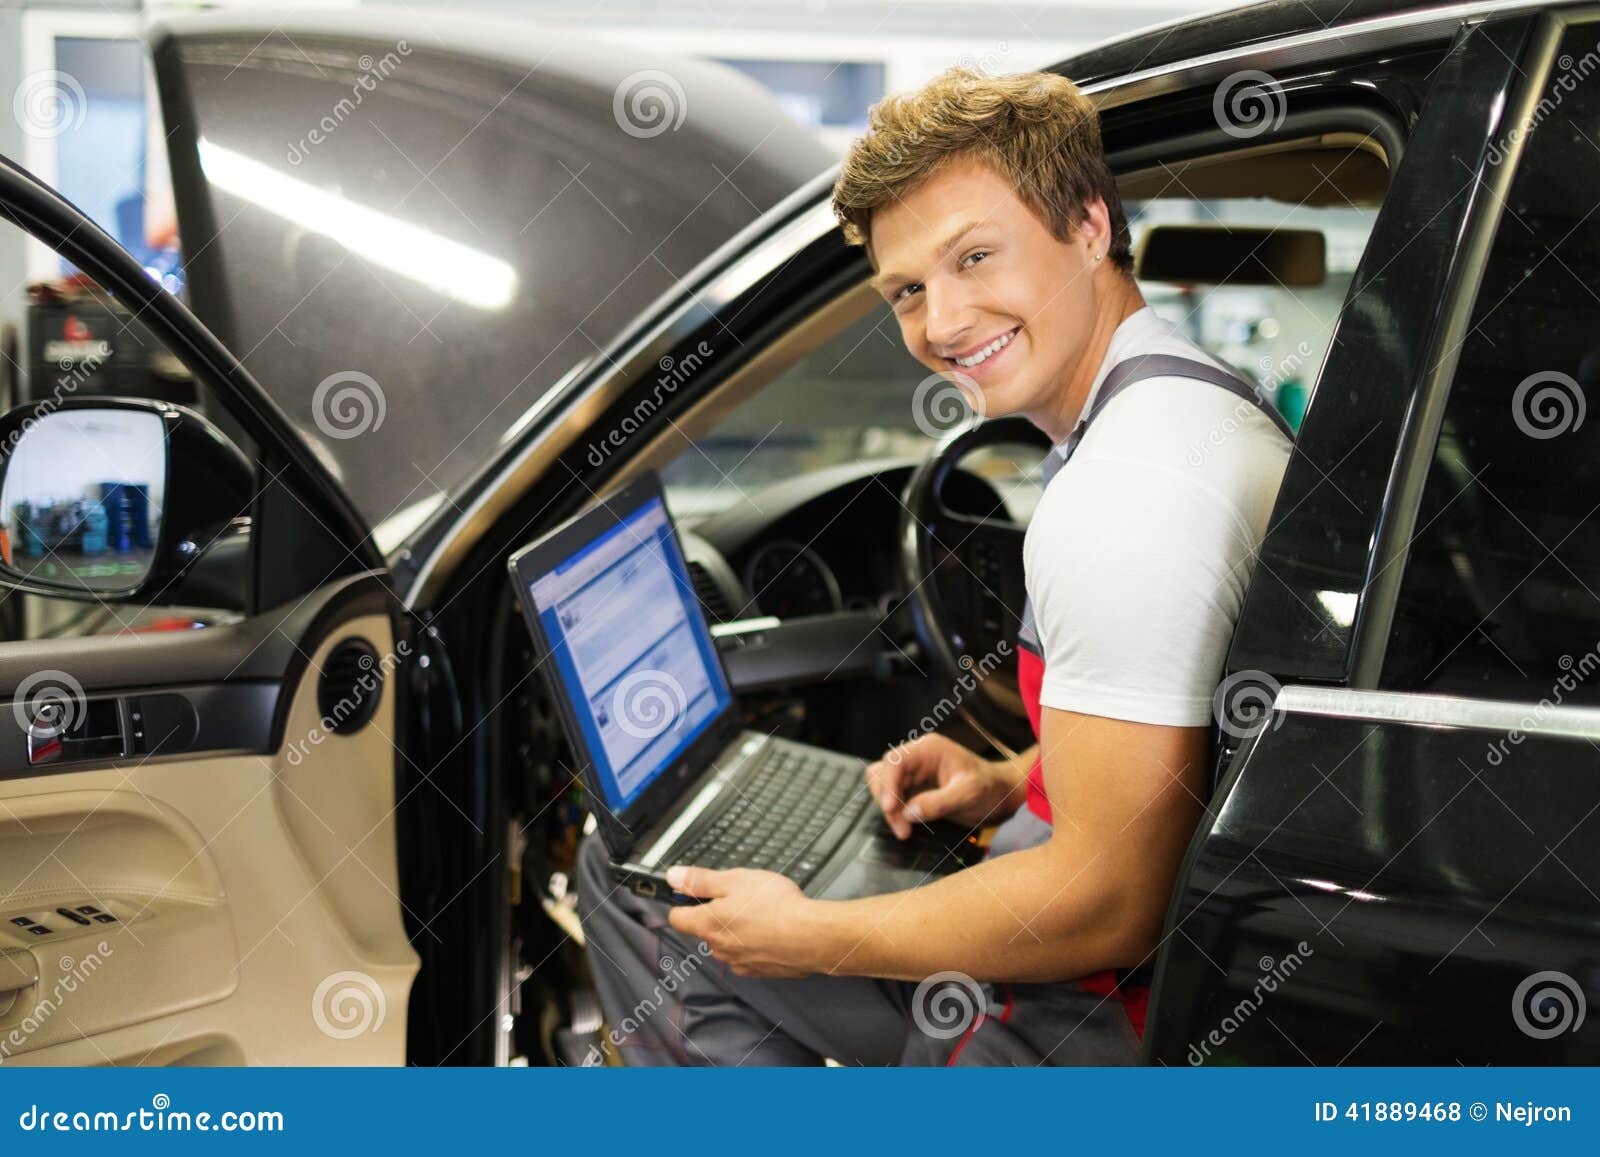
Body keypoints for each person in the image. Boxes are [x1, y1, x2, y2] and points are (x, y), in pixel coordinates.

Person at [574, 65, 1293, 1066]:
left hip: (1074, 1023)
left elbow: (1108, 903)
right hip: (1114, 953)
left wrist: (812, 936)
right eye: (908, 290)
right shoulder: (1193, 401)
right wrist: (1014, 780)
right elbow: (1197, 738)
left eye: (975, 257)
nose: (943, 323)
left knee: (647, 903)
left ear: (1088, 225)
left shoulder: (1129, 488)